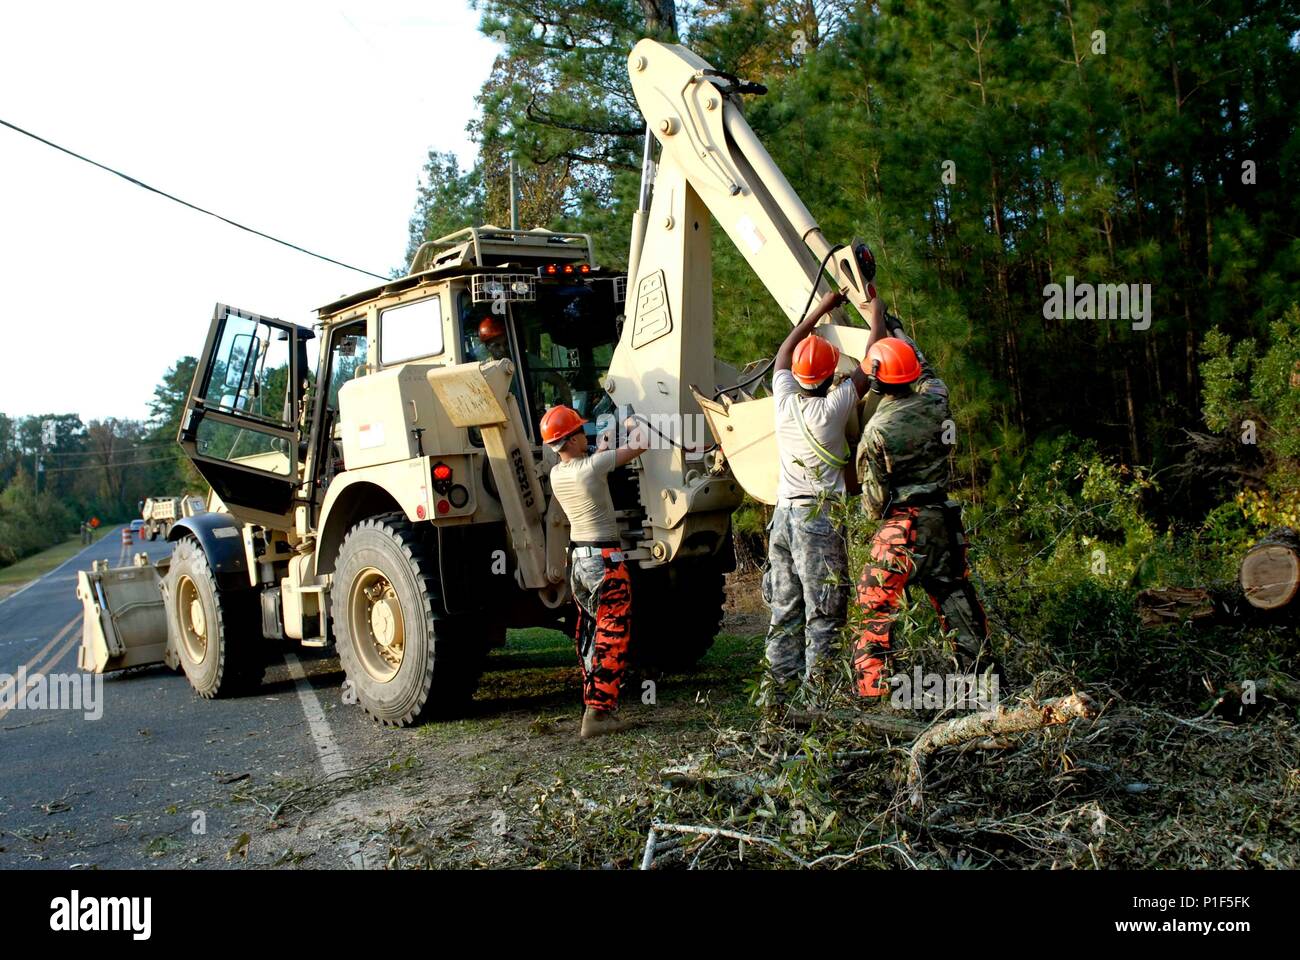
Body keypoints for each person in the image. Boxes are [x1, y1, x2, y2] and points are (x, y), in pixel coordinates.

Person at [853, 317, 1004, 700]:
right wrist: (898, 332)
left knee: (874, 606)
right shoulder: (937, 401)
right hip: (942, 520)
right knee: (956, 599)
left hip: (902, 526)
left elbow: (873, 505)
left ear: (875, 380)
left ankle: (876, 695)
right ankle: (984, 683)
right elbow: (929, 371)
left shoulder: (876, 432)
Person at [762, 267, 882, 713]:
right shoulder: (833, 409)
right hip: (817, 521)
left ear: (796, 375)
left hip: (783, 518)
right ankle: (820, 703)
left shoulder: (783, 400)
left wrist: (820, 310)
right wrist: (876, 318)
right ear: (831, 374)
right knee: (825, 612)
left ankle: (776, 695)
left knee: (785, 610)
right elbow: (872, 366)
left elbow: (783, 353)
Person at [542, 404, 647, 739]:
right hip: (605, 561)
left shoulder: (557, 474)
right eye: (578, 432)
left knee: (591, 632)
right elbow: (642, 441)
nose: (584, 435)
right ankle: (598, 715)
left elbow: (589, 463)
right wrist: (630, 418)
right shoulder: (592, 467)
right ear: (569, 441)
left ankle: (594, 704)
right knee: (612, 634)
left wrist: (600, 448)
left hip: (580, 563)